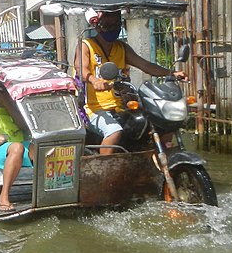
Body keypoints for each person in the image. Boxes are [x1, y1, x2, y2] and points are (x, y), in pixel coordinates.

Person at [78, 9, 186, 155]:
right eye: (108, 25)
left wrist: (171, 73)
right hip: (93, 109)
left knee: (162, 125)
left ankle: (162, 162)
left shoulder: (121, 48)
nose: (112, 29)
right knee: (114, 132)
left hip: (121, 107)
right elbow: (81, 70)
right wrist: (94, 80)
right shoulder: (86, 45)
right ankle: (104, 171)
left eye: (116, 25)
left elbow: (146, 66)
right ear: (97, 26)